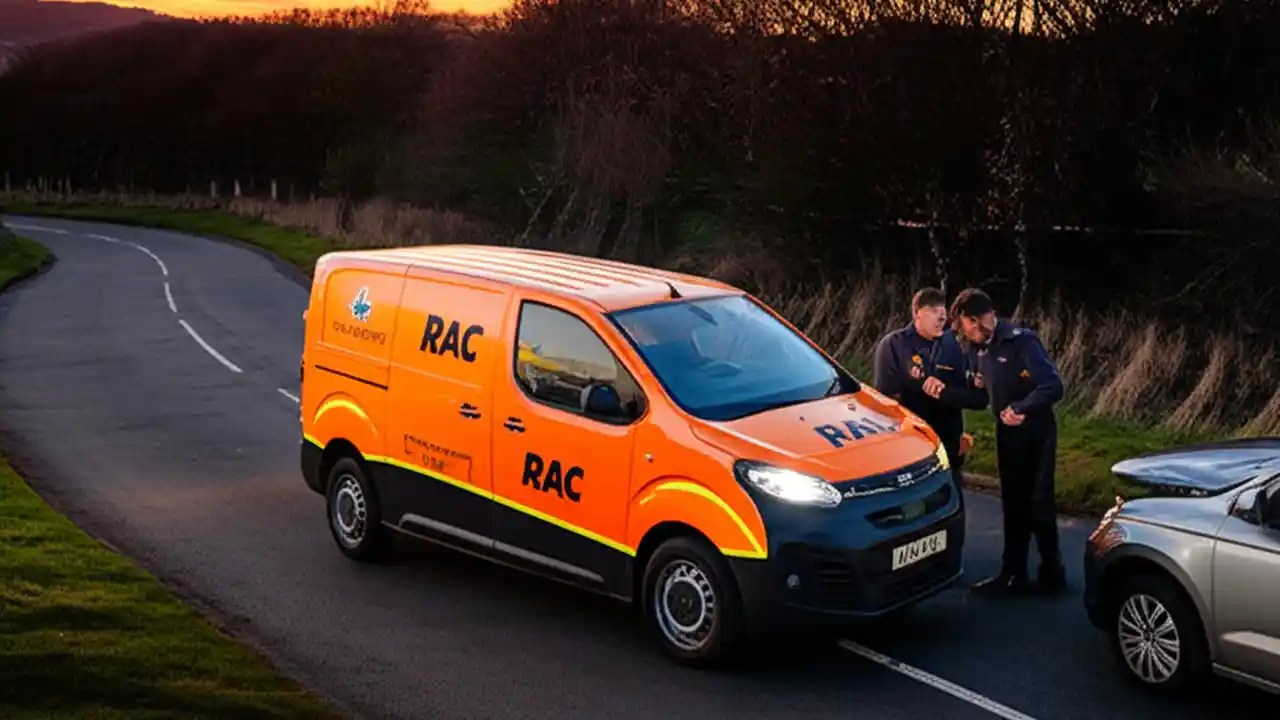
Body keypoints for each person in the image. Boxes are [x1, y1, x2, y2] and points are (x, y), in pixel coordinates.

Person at [950, 287, 1066, 596]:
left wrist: (1022, 408)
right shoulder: (977, 349)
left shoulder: (1022, 341)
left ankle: (1052, 572)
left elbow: (1053, 386)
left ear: (979, 320)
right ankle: (1012, 573)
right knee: (1012, 504)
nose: (968, 334)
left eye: (968, 326)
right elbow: (979, 383)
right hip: (1007, 434)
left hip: (1036, 432)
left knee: (1039, 504)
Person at [873, 287, 986, 487]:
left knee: (951, 505)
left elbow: (979, 399)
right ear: (917, 312)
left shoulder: (957, 346)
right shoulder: (895, 345)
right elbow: (886, 402)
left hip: (948, 448)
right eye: (933, 310)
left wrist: (944, 392)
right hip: (909, 449)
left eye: (942, 311)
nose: (941, 317)